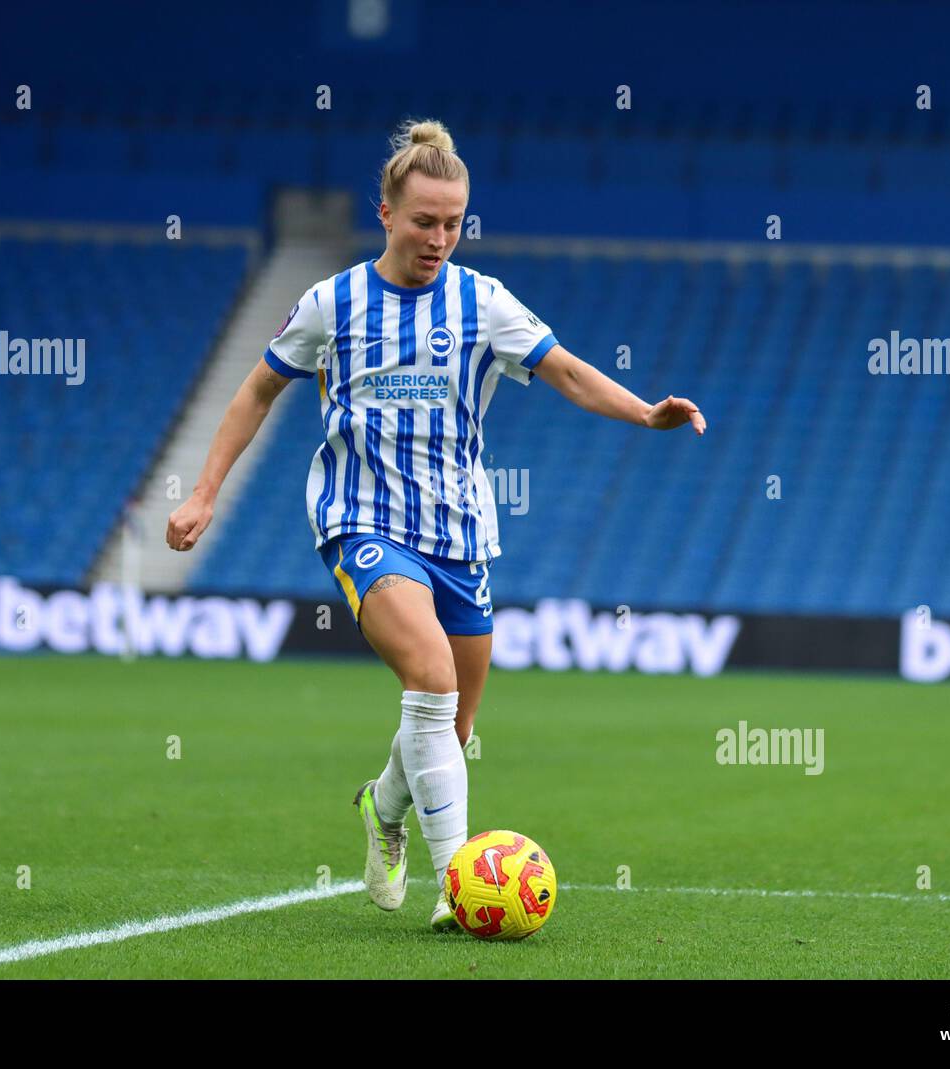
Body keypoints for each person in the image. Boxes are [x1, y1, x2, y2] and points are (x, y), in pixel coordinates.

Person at [166, 119, 707, 929]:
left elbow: (561, 368)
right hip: (363, 521)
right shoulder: (333, 303)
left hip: (460, 535)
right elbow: (254, 392)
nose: (439, 238)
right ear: (384, 212)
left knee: (450, 725)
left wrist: (643, 412)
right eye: (424, 221)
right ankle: (463, 884)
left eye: (453, 223)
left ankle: (382, 810)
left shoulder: (481, 301)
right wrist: (204, 491)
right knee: (429, 673)